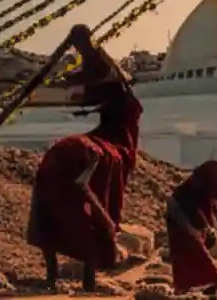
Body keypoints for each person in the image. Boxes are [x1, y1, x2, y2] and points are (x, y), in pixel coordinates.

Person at [27, 25, 143, 293]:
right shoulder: (96, 65)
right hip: (108, 135)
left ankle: (53, 278)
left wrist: (73, 84)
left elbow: (101, 81)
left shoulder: (101, 63)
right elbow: (95, 85)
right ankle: (84, 279)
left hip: (112, 133)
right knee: (98, 200)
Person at [166, 155, 217, 298]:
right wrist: (204, 227)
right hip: (181, 208)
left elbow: (207, 207)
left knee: (184, 251)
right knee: (194, 250)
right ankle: (214, 285)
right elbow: (202, 204)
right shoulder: (216, 177)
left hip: (182, 207)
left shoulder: (216, 173)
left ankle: (187, 287)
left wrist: (208, 227)